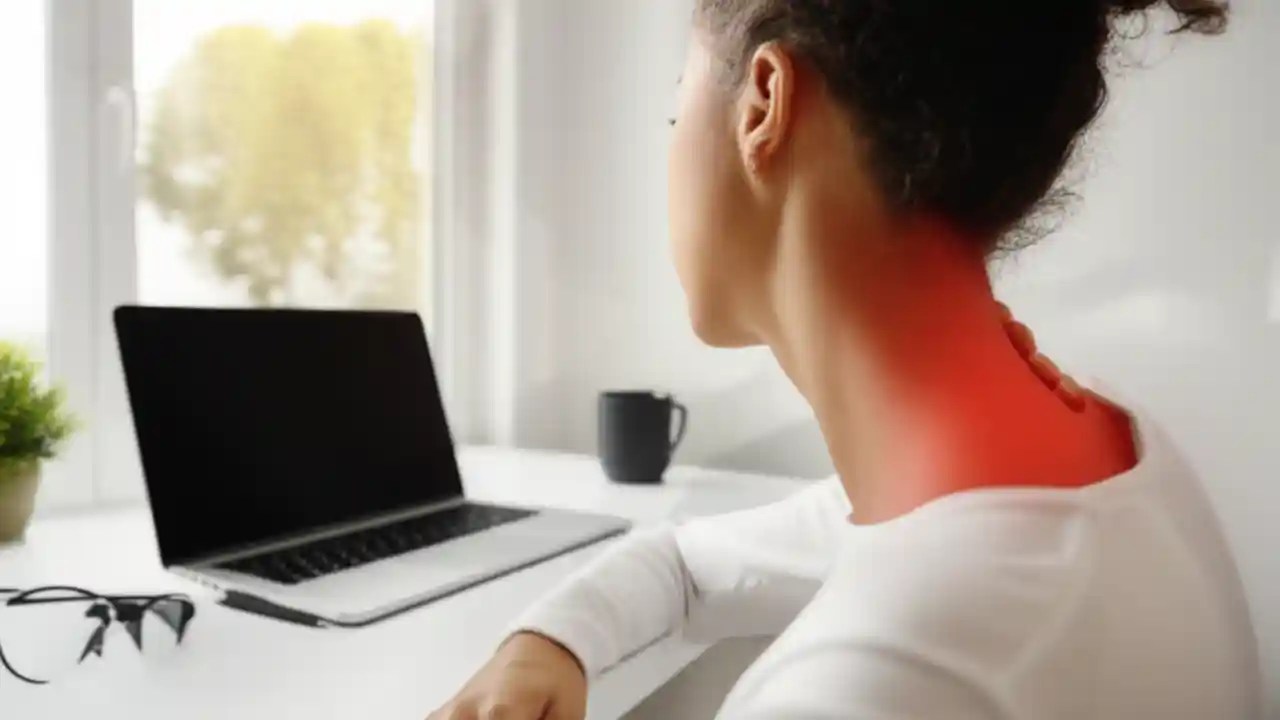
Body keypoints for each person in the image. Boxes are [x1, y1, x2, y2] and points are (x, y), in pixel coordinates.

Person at [431, 0, 1261, 717]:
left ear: (763, 103)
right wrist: (548, 641)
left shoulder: (863, 688)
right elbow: (687, 562)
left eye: (675, 111)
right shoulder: (1114, 448)